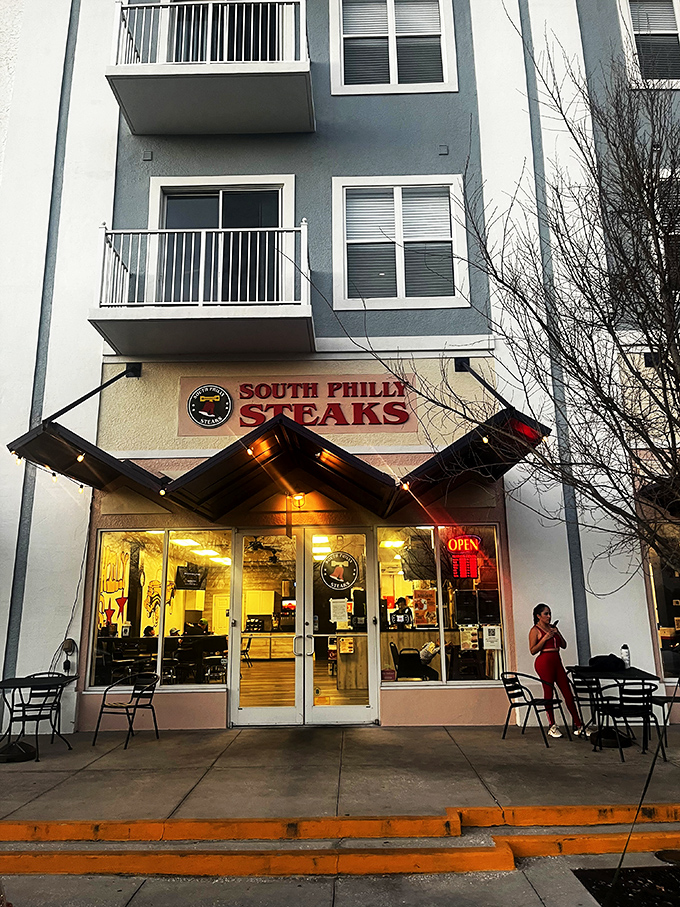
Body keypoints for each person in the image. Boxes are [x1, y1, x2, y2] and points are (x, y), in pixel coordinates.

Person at [529, 603, 585, 738]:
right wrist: (545, 638)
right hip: (544, 661)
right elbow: (533, 650)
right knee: (549, 692)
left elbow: (564, 645)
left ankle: (579, 725)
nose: (548, 616)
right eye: (545, 614)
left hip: (557, 660)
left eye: (549, 613)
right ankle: (552, 725)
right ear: (538, 616)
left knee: (567, 691)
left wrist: (557, 632)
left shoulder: (553, 628)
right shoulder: (535, 630)